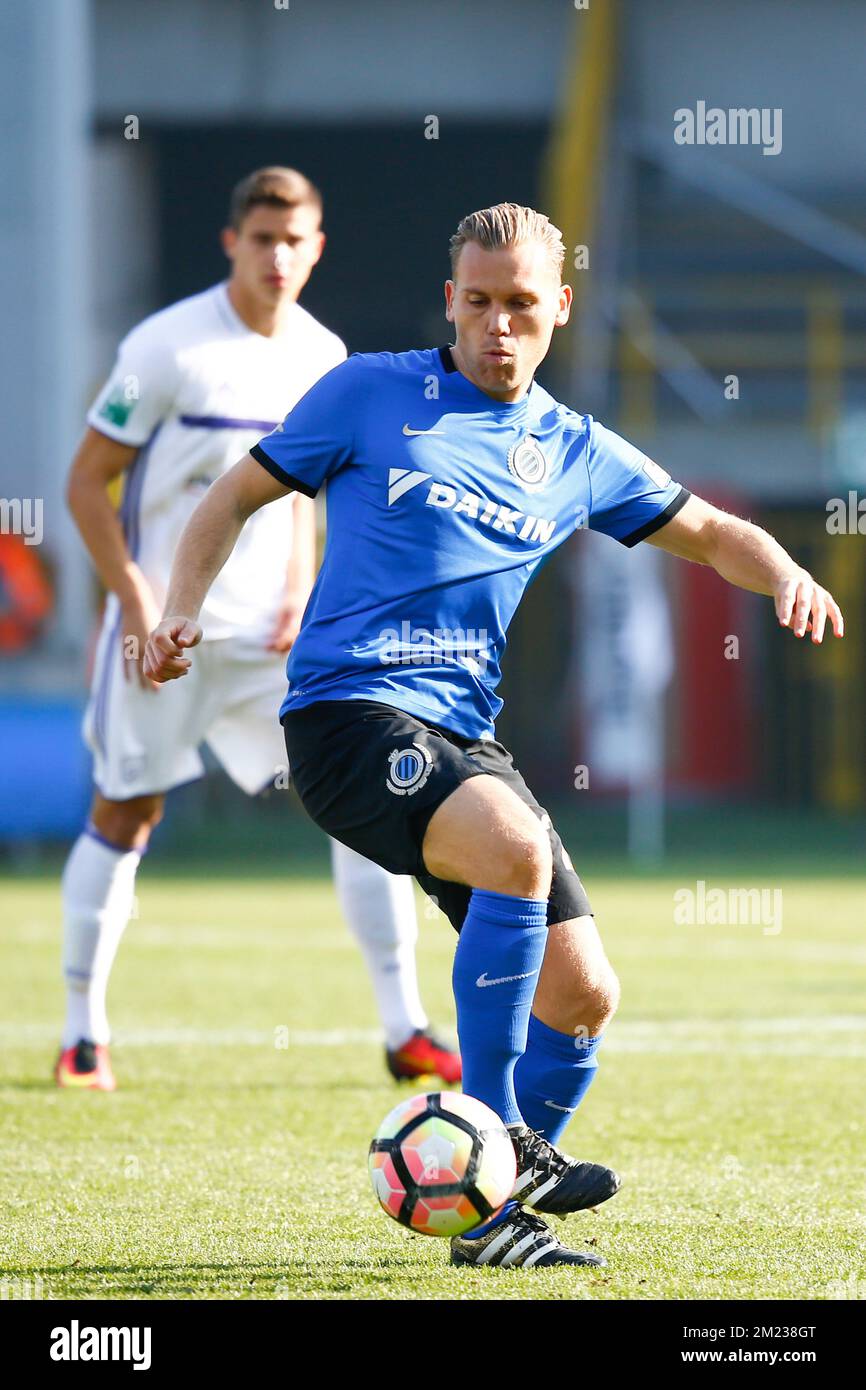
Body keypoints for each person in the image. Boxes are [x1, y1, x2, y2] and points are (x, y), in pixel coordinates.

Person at [143, 202, 844, 1270]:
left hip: (466, 741)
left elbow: (706, 531)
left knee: (585, 993)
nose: (496, 326)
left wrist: (785, 569)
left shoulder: (573, 449)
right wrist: (177, 608)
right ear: (449, 301)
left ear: (559, 307)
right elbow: (232, 497)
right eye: (477, 303)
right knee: (516, 850)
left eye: (519, 304)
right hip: (345, 715)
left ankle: (488, 1216)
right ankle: (502, 1135)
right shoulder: (367, 393)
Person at [57, 166, 460, 1093]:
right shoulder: (164, 346)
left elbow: (313, 491)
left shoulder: (325, 356)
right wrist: (134, 601)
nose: (278, 256)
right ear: (232, 243)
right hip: (163, 635)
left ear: (317, 249)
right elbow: (84, 482)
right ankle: (83, 1034)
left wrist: (302, 592)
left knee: (362, 805)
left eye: (295, 240)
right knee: (127, 811)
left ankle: (406, 1028)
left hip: (273, 644)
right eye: (263, 239)